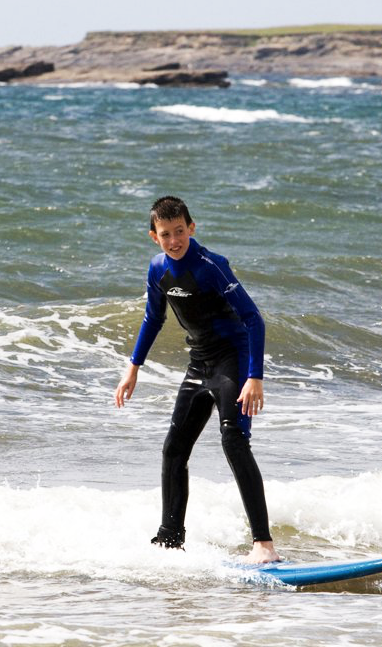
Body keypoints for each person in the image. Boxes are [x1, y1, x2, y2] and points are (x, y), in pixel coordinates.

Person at [115, 196, 281, 564]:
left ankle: (264, 545)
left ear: (192, 228)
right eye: (165, 234)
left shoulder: (212, 266)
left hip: (231, 362)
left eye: (179, 231)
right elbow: (152, 318)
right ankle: (170, 539)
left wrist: (254, 377)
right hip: (198, 365)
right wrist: (133, 367)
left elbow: (253, 319)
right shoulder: (157, 269)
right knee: (174, 449)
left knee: (233, 441)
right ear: (153, 236)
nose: (173, 240)